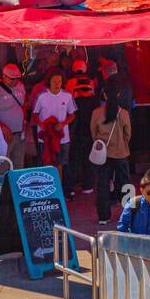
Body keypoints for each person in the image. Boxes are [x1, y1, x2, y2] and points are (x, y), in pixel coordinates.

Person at [90, 82, 132, 226]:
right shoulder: (124, 113)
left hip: (103, 154)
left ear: (105, 95)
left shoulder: (96, 112)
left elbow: (93, 133)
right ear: (119, 95)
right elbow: (128, 134)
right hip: (121, 152)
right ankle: (129, 214)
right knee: (125, 183)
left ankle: (103, 216)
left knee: (102, 184)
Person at [65, 58, 100, 196]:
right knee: (89, 159)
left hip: (76, 131)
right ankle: (88, 185)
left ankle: (72, 185)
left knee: (74, 159)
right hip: (90, 131)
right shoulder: (93, 94)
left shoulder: (70, 87)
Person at [0, 62, 28, 169]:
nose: (15, 81)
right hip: (3, 136)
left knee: (18, 166)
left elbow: (24, 104)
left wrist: (24, 120)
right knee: (3, 167)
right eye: (12, 79)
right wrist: (2, 127)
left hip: (19, 134)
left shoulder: (21, 86)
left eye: (17, 78)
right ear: (3, 76)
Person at [31, 69, 76, 170]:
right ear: (49, 82)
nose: (57, 84)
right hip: (45, 136)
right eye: (54, 81)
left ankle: (59, 185)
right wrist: (41, 124)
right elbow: (34, 114)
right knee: (46, 164)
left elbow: (72, 115)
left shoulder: (67, 96)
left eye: (59, 81)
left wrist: (63, 123)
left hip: (62, 137)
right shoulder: (41, 96)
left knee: (60, 165)